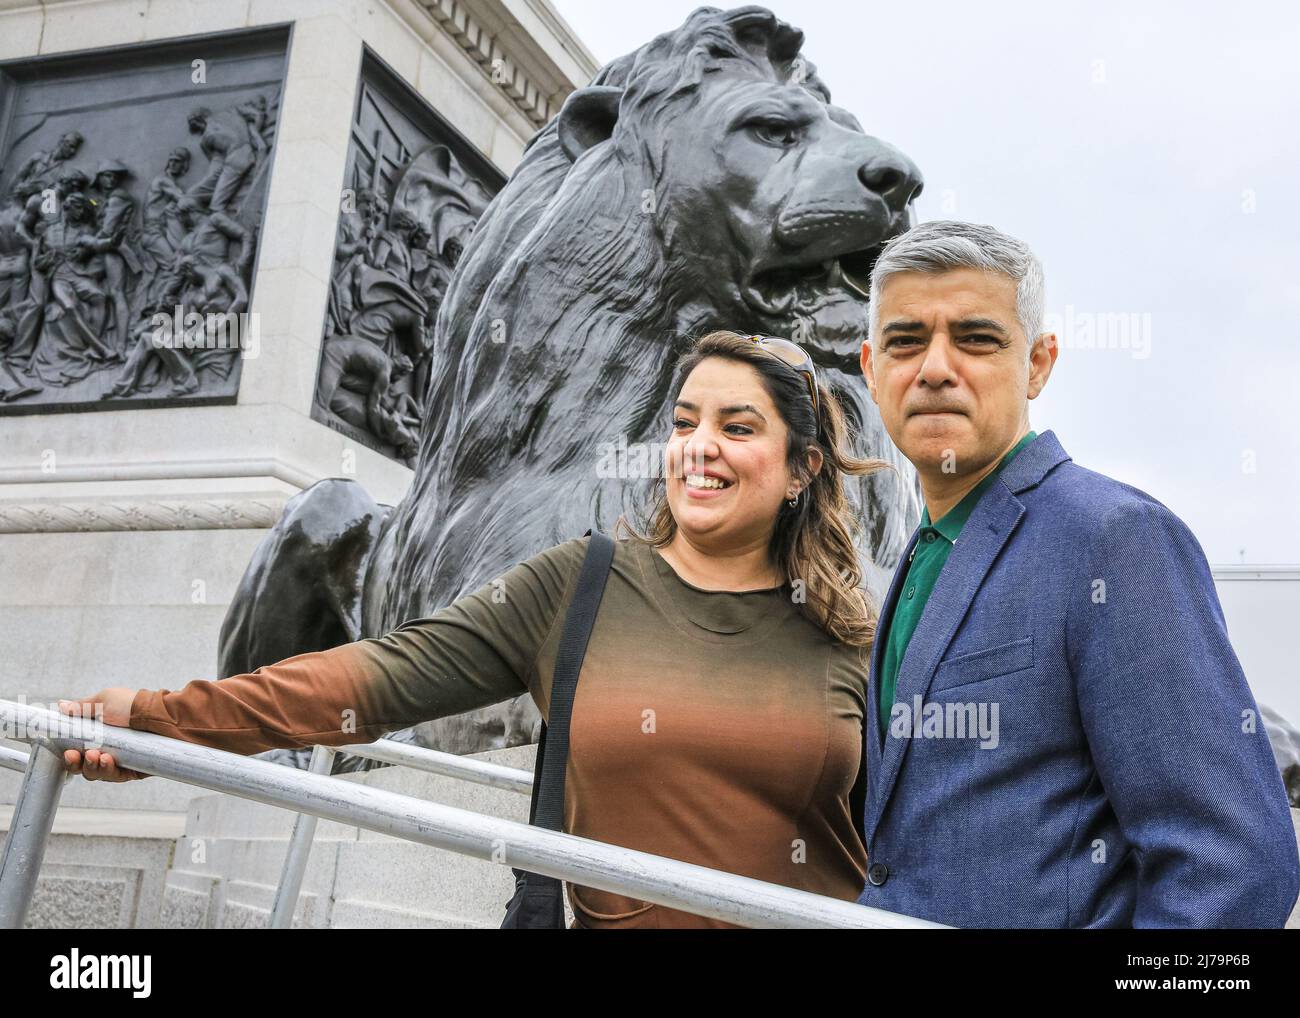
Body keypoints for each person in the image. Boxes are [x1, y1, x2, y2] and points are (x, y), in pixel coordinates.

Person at [60, 329, 889, 930]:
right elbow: (372, 679)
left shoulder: (859, 632)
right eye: (683, 423)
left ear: (802, 469)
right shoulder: (579, 585)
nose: (697, 448)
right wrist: (160, 722)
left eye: (737, 428)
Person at [856, 218, 1300, 928]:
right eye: (906, 341)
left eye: (976, 338)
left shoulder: (1116, 539)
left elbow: (1233, 866)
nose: (935, 367)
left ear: (1038, 362)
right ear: (872, 370)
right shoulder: (921, 553)